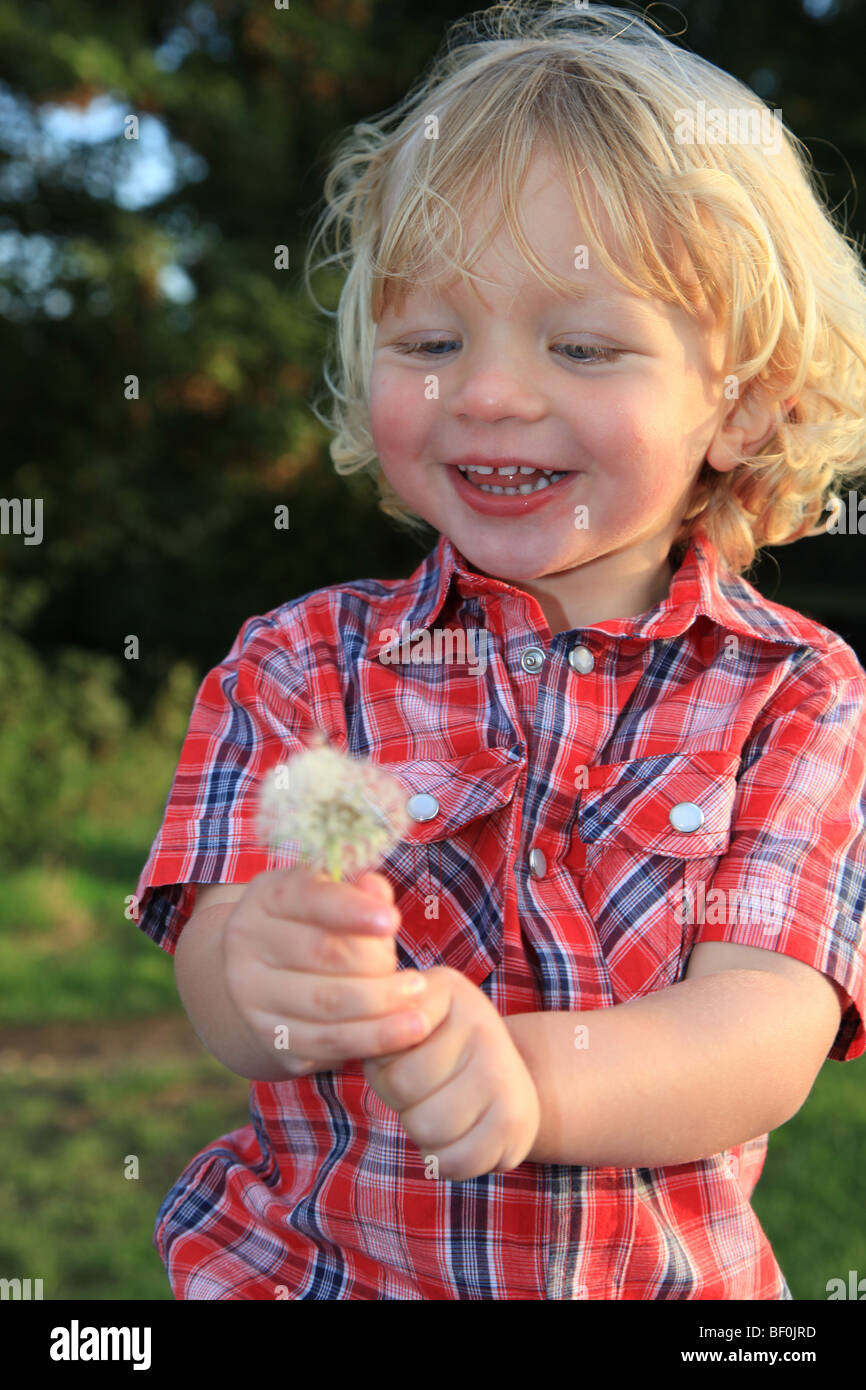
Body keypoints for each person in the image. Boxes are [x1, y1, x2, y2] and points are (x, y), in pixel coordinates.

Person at [133, 1, 866, 1299]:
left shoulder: (794, 694)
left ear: (743, 403)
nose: (486, 393)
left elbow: (764, 1028)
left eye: (580, 344)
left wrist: (526, 1072)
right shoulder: (297, 666)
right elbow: (221, 985)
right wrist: (263, 964)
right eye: (429, 342)